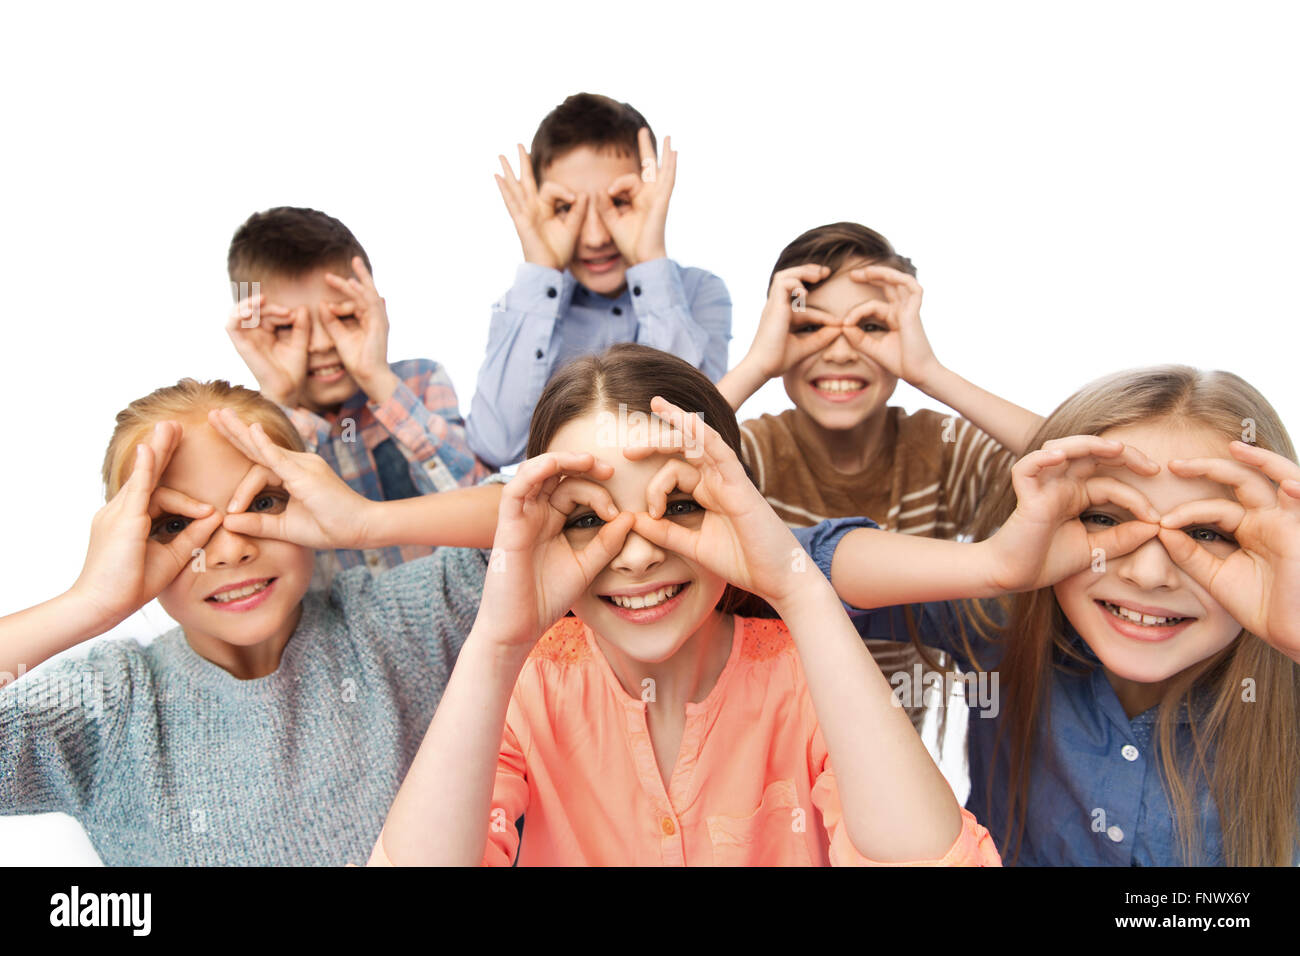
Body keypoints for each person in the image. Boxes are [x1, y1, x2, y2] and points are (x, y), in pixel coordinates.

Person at [362, 344, 1001, 866]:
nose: (638, 556)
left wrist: (799, 587)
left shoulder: (805, 681)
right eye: (588, 516)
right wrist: (497, 644)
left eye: (679, 505)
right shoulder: (526, 691)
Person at [794, 365, 1300, 865]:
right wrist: (991, 566)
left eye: (1205, 533)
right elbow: (785, 567)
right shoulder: (1003, 621)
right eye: (1104, 517)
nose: (1149, 574)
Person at [0, 380, 495, 865]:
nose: (232, 548)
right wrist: (86, 604)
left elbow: (554, 511)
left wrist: (368, 522)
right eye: (173, 525)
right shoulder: (112, 708)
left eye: (261, 503)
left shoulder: (397, 624)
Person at [718, 221, 1042, 733]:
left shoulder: (939, 451)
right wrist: (757, 364)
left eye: (869, 326)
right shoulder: (753, 451)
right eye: (809, 327)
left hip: (893, 751)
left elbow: (1081, 460)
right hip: (762, 748)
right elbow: (647, 467)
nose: (841, 350)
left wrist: (930, 372)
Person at [467, 93, 732, 469]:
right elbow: (497, 446)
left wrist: (649, 258)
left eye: (620, 201)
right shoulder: (528, 305)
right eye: (565, 208)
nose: (594, 237)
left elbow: (685, 437)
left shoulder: (700, 292)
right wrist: (540, 266)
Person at [226, 206, 489, 574]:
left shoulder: (419, 381)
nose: (319, 344)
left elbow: (488, 509)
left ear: (375, 313)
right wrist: (278, 399)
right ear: (253, 333)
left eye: (344, 317)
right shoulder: (239, 429)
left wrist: (377, 379)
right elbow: (252, 548)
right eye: (286, 328)